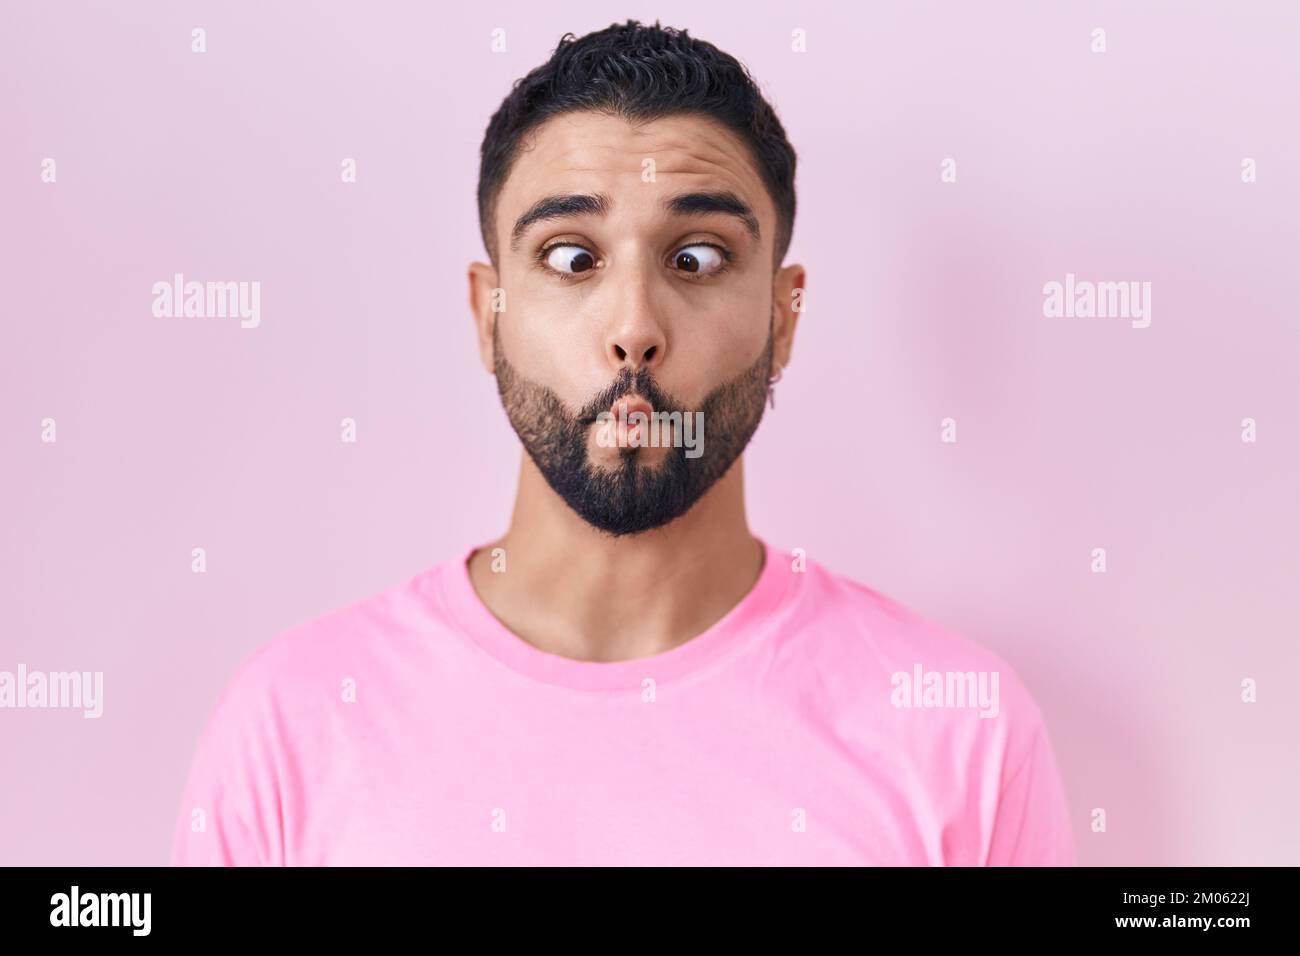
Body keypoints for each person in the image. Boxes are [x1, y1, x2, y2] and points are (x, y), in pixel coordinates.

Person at [170, 19, 1075, 866]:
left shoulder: (963, 733)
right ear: (489, 312)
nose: (634, 329)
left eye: (697, 258)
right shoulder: (292, 725)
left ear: (782, 313)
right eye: (573, 258)